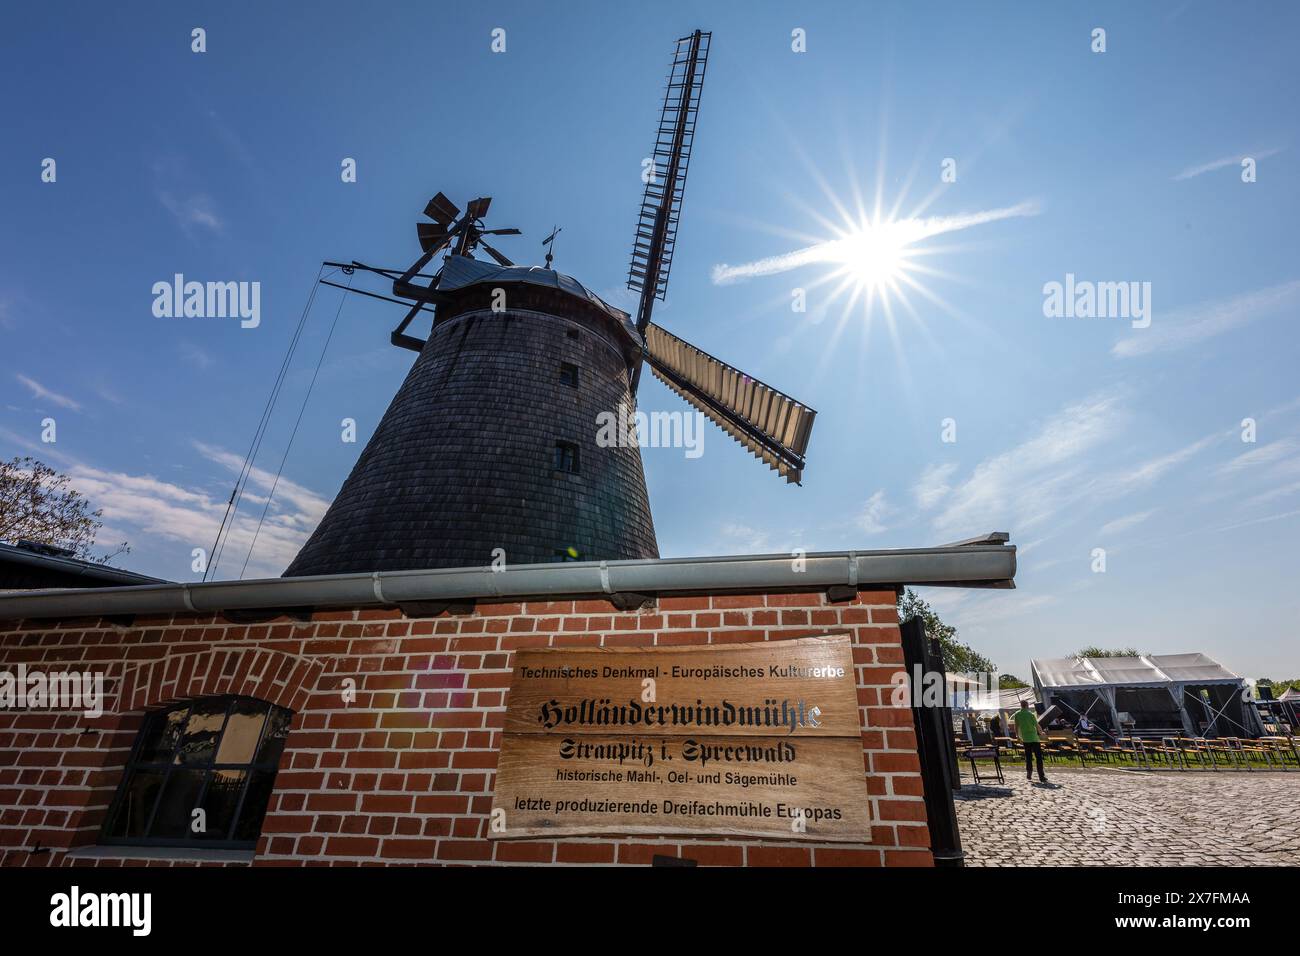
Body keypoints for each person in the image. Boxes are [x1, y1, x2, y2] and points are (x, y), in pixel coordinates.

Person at [1014, 700, 1048, 783]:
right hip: (1034, 738)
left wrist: (1018, 736)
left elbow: (1016, 726)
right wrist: (1042, 733)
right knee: (1038, 757)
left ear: (1021, 705)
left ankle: (1029, 772)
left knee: (1028, 757)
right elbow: (1037, 725)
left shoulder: (1017, 714)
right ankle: (1041, 776)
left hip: (1025, 738)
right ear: (1027, 705)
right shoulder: (1031, 714)